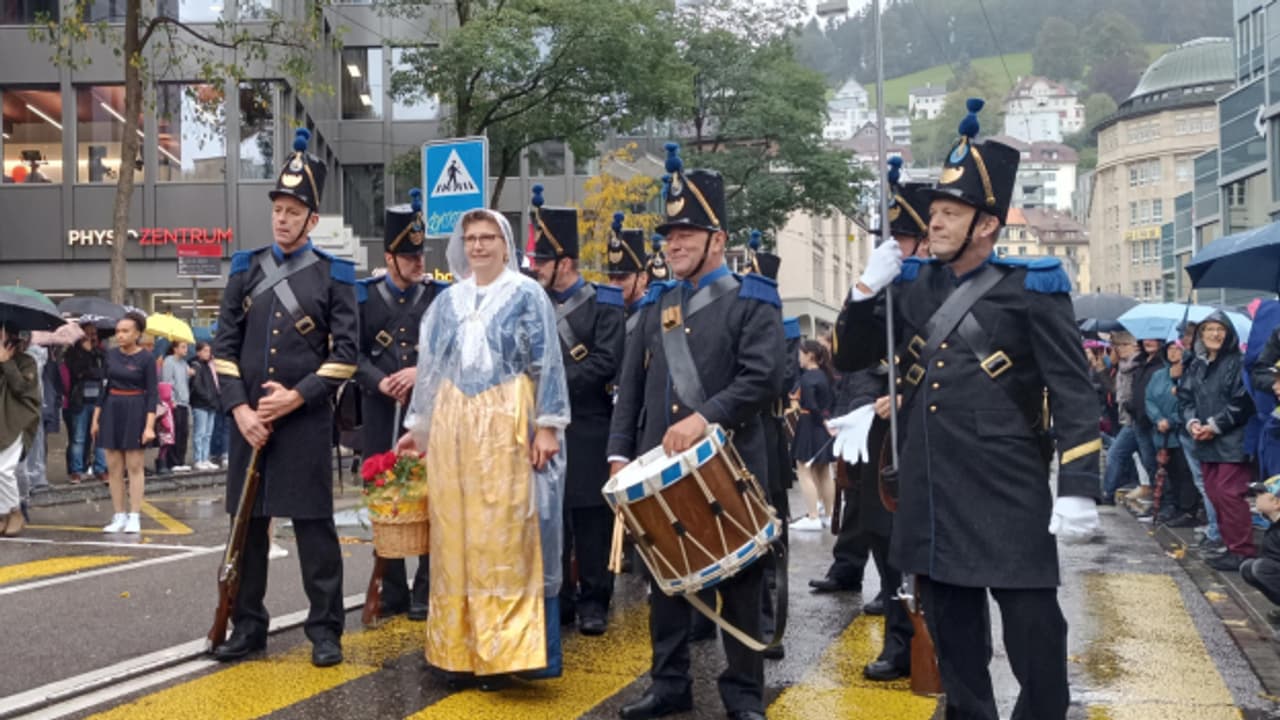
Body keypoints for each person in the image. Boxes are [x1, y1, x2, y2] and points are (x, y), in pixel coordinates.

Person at [831, 99, 1101, 720]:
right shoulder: (912, 284)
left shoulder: (1030, 288)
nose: (936, 223)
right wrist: (865, 291)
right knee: (955, 647)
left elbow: (1073, 391)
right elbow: (849, 357)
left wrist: (1080, 483)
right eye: (935, 213)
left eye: (950, 213)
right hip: (935, 490)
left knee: (1036, 641)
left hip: (1008, 489)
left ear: (987, 222)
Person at [608, 143, 784, 720]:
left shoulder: (752, 299)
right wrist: (618, 456)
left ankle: (742, 696)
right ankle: (669, 685)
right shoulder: (659, 305)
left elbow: (764, 379)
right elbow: (630, 389)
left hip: (731, 461)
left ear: (717, 239)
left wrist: (705, 416)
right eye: (668, 235)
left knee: (740, 582)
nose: (673, 244)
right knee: (667, 583)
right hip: (661, 462)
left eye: (687, 233)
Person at [397, 207, 569, 682]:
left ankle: (506, 652)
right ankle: (458, 650)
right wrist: (421, 426)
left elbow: (547, 361)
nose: (478, 245)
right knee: (455, 534)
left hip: (507, 417)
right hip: (454, 422)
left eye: (488, 237)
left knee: (505, 530)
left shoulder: (527, 294)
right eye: (471, 237)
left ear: (505, 243)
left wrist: (548, 424)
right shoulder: (447, 302)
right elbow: (432, 371)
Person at [210, 128, 358, 668]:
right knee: (246, 528)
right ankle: (249, 625)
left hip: (302, 423)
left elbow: (345, 355)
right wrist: (241, 409)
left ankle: (326, 630)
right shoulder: (244, 270)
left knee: (315, 529)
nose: (282, 218)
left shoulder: (334, 275)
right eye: (278, 208)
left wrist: (295, 398)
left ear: (312, 220)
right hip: (249, 423)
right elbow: (222, 349)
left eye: (294, 210)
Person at [826, 165, 934, 679]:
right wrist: (866, 288)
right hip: (883, 438)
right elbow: (848, 356)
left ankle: (939, 639)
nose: (895, 246)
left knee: (936, 547)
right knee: (885, 538)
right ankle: (899, 640)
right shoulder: (883, 291)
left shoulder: (945, 284)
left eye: (904, 238)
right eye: (890, 239)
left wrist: (905, 392)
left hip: (931, 435)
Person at [527, 186, 626, 636]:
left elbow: (607, 361)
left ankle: (594, 598)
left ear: (564, 263)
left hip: (587, 425)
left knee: (590, 518)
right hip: (538, 427)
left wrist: (550, 388)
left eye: (542, 262)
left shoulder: (604, 303)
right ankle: (559, 596)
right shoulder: (530, 303)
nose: (535, 269)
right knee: (551, 516)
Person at [354, 188, 447, 622]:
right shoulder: (364, 297)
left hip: (428, 415)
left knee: (431, 497)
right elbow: (349, 354)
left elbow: (450, 355)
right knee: (385, 499)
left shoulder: (437, 297)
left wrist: (420, 375)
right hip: (379, 412)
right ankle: (391, 588)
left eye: (420, 254)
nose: (419, 262)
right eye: (409, 257)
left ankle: (425, 589)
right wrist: (380, 381)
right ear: (390, 258)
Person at [1179, 313, 1256, 571]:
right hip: (1205, 442)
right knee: (1214, 494)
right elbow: (1185, 399)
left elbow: (1242, 402)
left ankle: (1242, 551)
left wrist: (1214, 425)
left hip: (1232, 441)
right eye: (1209, 329)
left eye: (1220, 329)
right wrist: (1193, 424)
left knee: (1229, 494)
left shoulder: (1238, 362)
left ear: (1229, 333)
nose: (1215, 334)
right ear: (1201, 335)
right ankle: (1229, 544)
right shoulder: (1196, 366)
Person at [93, 312, 158, 535]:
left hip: (136, 408)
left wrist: (149, 426)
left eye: (125, 331)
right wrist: (96, 419)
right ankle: (119, 514)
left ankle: (134, 515)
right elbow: (104, 388)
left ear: (137, 333)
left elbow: (152, 394)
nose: (120, 335)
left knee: (135, 466)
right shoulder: (110, 355)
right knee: (114, 467)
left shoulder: (147, 358)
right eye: (118, 331)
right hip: (112, 407)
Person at [1145, 341, 1200, 526]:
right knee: (1169, 472)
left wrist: (1173, 420)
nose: (1173, 352)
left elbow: (1189, 404)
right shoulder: (1159, 375)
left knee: (1184, 472)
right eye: (1170, 349)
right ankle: (1174, 506)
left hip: (1181, 432)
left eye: (1178, 349)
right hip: (1161, 433)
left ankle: (1188, 509)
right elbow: (1149, 398)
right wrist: (1158, 418)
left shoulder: (1189, 375)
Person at [791, 339, 836, 531]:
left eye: (800, 354)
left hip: (809, 424)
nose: (798, 358)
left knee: (804, 470)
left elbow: (810, 404)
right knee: (824, 472)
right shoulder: (825, 376)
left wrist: (820, 420)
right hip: (821, 427)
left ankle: (813, 516)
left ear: (809, 355)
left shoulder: (808, 378)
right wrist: (826, 423)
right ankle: (830, 514)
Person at [0, 327, 41, 536]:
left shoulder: (27, 361)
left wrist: (7, 362)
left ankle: (16, 511)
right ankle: (3, 513)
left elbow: (22, 389)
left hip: (17, 420)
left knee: (5, 469)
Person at [65, 321, 107, 483]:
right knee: (79, 437)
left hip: (99, 400)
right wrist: (85, 353)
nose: (91, 337)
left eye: (94, 334)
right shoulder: (73, 352)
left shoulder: (101, 352)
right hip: (80, 401)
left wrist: (91, 364)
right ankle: (76, 470)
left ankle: (100, 469)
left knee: (100, 437)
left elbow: (103, 372)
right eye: (88, 333)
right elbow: (77, 372)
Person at [606, 212, 651, 315]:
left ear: (642, 278)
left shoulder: (654, 314)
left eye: (622, 278)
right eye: (611, 278)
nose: (613, 285)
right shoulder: (609, 315)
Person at [160, 341, 194, 472]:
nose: (186, 350)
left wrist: (189, 375)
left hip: (184, 401)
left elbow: (184, 382)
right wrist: (171, 400)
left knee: (184, 432)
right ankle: (172, 461)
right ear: (175, 349)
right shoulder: (169, 361)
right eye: (183, 347)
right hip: (174, 402)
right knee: (175, 431)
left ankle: (180, 460)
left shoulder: (184, 363)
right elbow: (167, 381)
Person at [189, 341, 220, 470]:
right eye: (205, 351)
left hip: (211, 403)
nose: (208, 353)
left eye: (209, 351)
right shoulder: (196, 365)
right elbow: (197, 386)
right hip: (201, 403)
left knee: (208, 433)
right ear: (198, 352)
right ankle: (198, 459)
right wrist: (208, 397)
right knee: (200, 432)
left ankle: (205, 458)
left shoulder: (209, 365)